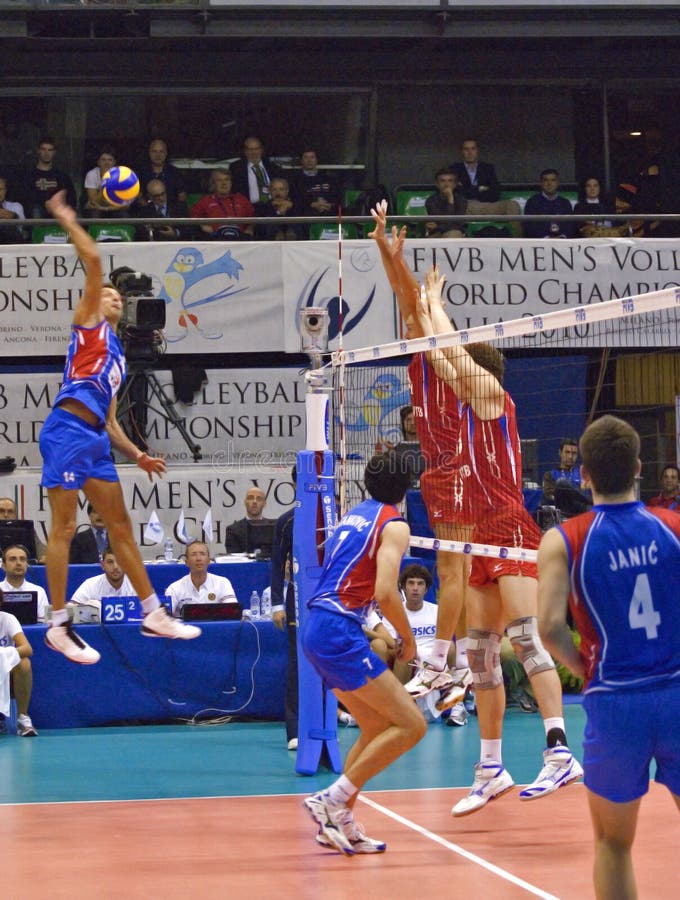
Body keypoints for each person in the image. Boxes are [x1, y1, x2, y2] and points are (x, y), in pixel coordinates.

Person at [415, 269, 582, 816]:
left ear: (476, 374)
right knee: (481, 655)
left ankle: (559, 751)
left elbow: (451, 357)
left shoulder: (491, 397)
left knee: (527, 640)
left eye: (457, 370)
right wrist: (424, 312)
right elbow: (441, 357)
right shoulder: (466, 407)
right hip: (481, 534)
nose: (447, 376)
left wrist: (435, 304)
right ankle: (490, 767)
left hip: (510, 526)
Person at [38, 189, 200, 666]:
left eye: (115, 295)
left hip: (92, 438)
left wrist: (137, 454)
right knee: (65, 526)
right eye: (105, 292)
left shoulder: (117, 355)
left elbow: (109, 421)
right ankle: (58, 625)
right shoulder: (87, 323)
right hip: (66, 430)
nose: (109, 296)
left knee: (122, 527)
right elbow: (92, 259)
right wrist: (68, 218)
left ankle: (153, 612)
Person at [537, 415, 680, 900]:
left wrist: (582, 668)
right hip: (678, 691)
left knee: (614, 844)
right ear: (639, 467)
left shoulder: (563, 540)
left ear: (585, 474)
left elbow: (550, 628)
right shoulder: (674, 528)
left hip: (616, 700)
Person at [368, 200, 471, 713]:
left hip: (456, 467)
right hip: (441, 468)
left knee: (454, 572)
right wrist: (384, 249)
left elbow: (410, 299)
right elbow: (403, 299)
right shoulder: (420, 353)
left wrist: (400, 265)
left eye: (417, 318)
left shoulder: (439, 350)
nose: (407, 323)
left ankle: (443, 663)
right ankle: (459, 668)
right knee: (460, 573)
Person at [301, 451, 427, 855]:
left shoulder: (355, 514)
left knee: (374, 727)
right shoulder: (394, 524)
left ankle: (340, 820)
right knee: (412, 726)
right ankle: (331, 799)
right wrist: (406, 638)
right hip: (338, 630)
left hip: (320, 628)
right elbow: (386, 592)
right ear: (406, 488)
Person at [269, 468, 299, 750]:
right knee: (296, 664)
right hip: (298, 599)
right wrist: (277, 603)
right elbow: (277, 564)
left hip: (327, 599)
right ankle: (294, 730)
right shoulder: (287, 521)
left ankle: (327, 723)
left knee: (327, 662)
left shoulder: (333, 518)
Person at [450, 138, 522, 237]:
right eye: (466, 149)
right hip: (467, 207)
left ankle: (519, 241)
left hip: (488, 206)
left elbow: (495, 192)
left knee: (513, 205)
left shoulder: (487, 168)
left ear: (477, 151)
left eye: (473, 149)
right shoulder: (454, 169)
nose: (470, 152)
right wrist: (480, 189)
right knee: (462, 204)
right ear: (462, 152)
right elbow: (457, 193)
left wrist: (469, 190)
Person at [165, 540, 238, 617]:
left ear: (209, 560)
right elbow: (165, 616)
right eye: (193, 554)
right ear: (186, 562)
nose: (198, 558)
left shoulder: (222, 583)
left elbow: (233, 610)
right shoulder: (174, 588)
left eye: (202, 554)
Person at [0, 587, 37, 736]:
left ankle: (23, 719)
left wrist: (3, 654)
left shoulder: (8, 619)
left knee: (24, 664)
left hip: (5, 670)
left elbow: (27, 648)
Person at [68, 546, 134, 617]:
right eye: (110, 562)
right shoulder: (90, 584)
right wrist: (92, 610)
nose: (115, 566)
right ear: (103, 565)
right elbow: (70, 610)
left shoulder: (137, 586)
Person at [190, 168, 254, 240]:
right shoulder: (205, 201)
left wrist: (249, 229)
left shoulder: (242, 200)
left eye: (227, 179)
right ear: (213, 184)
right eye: (219, 180)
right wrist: (202, 227)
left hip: (240, 240)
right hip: (215, 240)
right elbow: (192, 220)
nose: (224, 183)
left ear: (231, 182)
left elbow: (253, 220)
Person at [23, 136, 77, 219]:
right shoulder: (30, 175)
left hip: (59, 210)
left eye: (50, 150)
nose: (46, 153)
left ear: (54, 152)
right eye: (43, 149)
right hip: (37, 211)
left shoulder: (62, 176)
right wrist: (44, 203)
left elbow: (72, 197)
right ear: (38, 151)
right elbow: (27, 197)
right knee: (36, 210)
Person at [0, 544, 49, 623]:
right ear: (3, 565)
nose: (18, 563)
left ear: (27, 564)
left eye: (22, 559)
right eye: (13, 559)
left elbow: (43, 623)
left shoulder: (39, 591)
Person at [229, 135, 282, 206]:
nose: (254, 152)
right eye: (250, 149)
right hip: (248, 210)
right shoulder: (236, 168)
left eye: (256, 149)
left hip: (272, 209)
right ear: (245, 151)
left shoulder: (274, 168)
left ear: (261, 149)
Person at [523, 169, 577, 239]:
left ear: (558, 183)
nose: (549, 183)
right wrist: (547, 238)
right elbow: (529, 226)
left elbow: (570, 226)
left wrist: (562, 237)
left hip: (563, 243)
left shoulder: (565, 203)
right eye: (546, 180)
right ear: (541, 183)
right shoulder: (532, 202)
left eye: (553, 180)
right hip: (539, 244)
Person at [292, 147, 339, 222]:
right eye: (306, 157)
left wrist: (330, 205)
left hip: (329, 212)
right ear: (301, 160)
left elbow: (336, 195)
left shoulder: (328, 178)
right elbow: (296, 199)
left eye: (312, 157)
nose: (309, 160)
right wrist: (312, 204)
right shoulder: (295, 180)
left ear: (316, 160)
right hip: (306, 215)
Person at [224, 487, 274, 555]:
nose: (254, 501)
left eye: (259, 499)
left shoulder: (273, 528)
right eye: (250, 498)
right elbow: (234, 557)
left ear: (264, 504)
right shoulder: (233, 530)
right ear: (245, 502)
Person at [136, 138, 187, 204]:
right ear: (149, 153)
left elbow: (182, 196)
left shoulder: (175, 173)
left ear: (166, 153)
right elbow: (138, 196)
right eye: (154, 151)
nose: (158, 155)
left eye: (161, 151)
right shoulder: (141, 173)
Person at [254, 176, 303, 241]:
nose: (278, 193)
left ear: (287, 191)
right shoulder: (264, 206)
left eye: (281, 189)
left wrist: (289, 207)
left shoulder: (295, 204)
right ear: (270, 191)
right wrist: (278, 212)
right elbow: (262, 225)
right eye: (274, 189)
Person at [424, 167, 467, 238]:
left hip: (456, 233)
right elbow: (445, 221)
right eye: (442, 181)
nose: (446, 184)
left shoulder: (461, 200)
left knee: (453, 233)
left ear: (455, 184)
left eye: (450, 181)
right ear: (437, 184)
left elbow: (458, 224)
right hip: (437, 234)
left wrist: (450, 199)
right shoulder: (431, 201)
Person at [0, 496, 46, 562]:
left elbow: (42, 552)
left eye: (10, 511)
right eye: (1, 511)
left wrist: (45, 557)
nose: (6, 515)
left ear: (15, 515)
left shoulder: (25, 529)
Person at [82, 147, 118, 217]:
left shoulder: (121, 176)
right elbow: (93, 201)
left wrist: (105, 208)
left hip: (112, 208)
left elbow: (125, 205)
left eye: (110, 160)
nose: (106, 163)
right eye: (103, 160)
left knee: (124, 215)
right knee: (94, 214)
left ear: (114, 163)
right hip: (96, 208)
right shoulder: (92, 174)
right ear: (98, 163)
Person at [0, 174, 26, 243]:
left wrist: (14, 216)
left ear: (5, 190)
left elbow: (20, 227)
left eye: (0, 189)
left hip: (11, 244)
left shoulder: (16, 206)